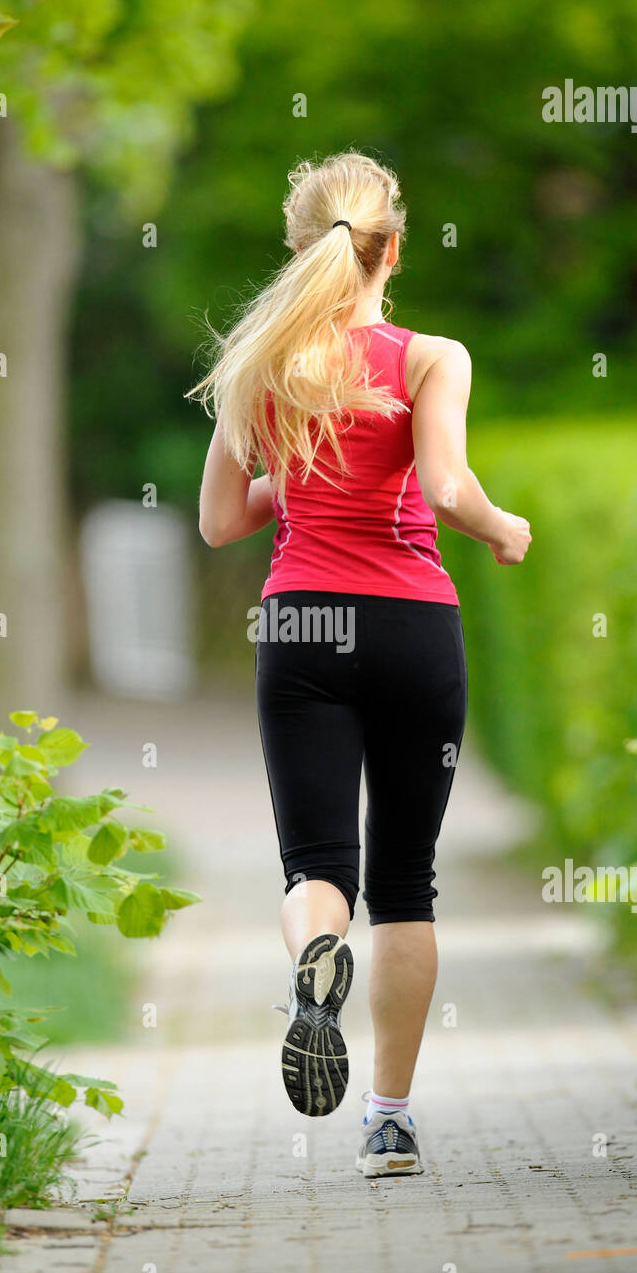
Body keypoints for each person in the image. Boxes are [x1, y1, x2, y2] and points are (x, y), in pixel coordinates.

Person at [190, 151, 531, 1178]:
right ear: (394, 247)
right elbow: (442, 482)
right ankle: (388, 1120)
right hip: (410, 625)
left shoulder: (261, 364)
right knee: (407, 884)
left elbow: (215, 523)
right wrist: (504, 526)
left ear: (303, 248)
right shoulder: (431, 356)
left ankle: (311, 958)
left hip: (299, 625)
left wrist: (289, 493)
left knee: (316, 865)